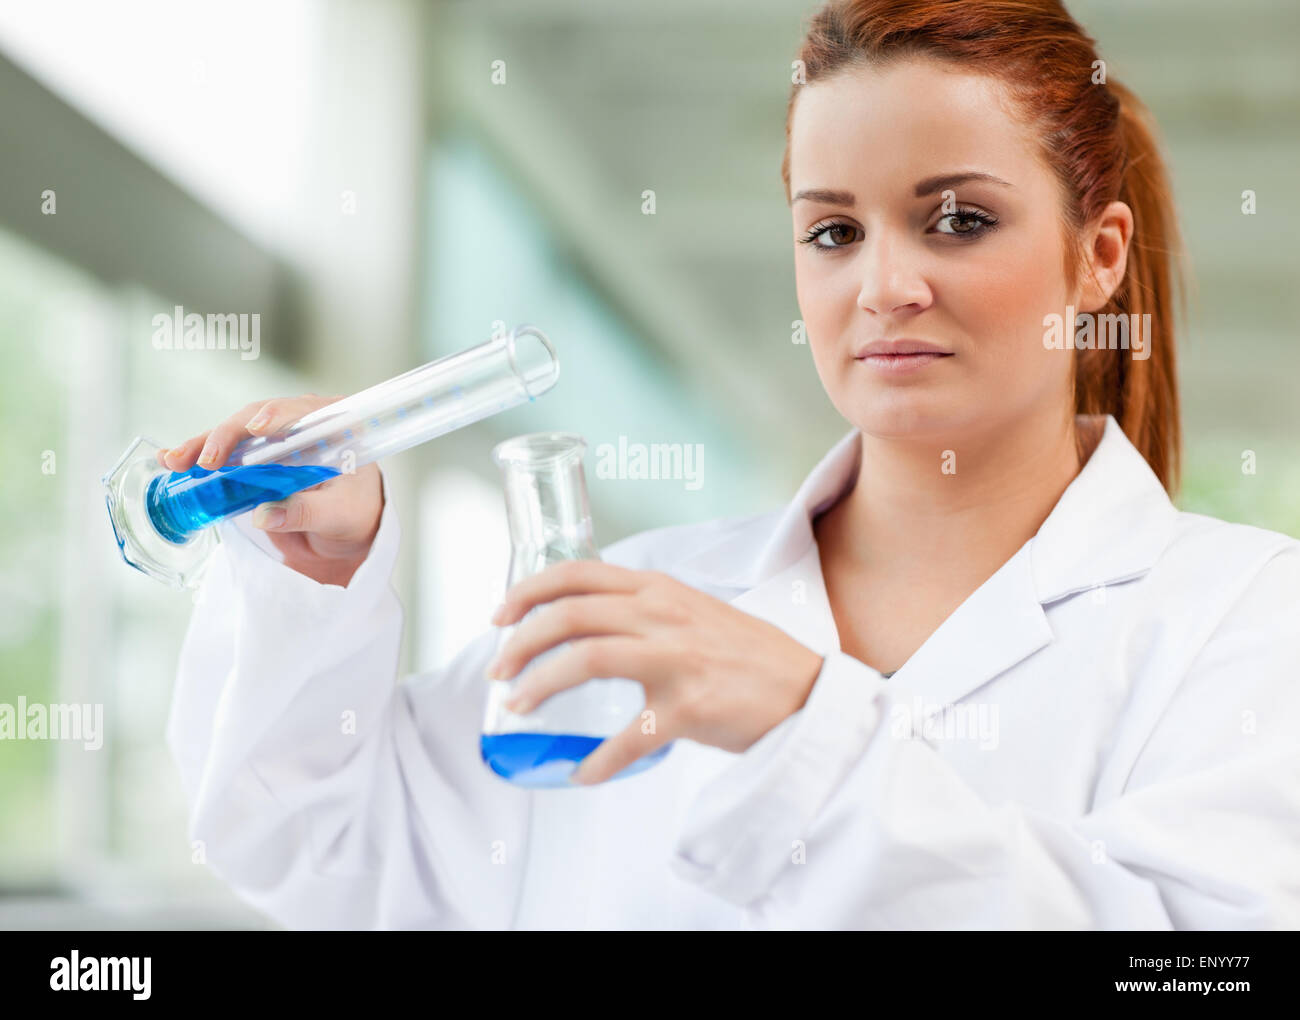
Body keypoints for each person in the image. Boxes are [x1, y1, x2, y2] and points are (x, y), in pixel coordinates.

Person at [162, 0, 1300, 929]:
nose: (883, 287)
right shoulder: (649, 605)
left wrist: (803, 727)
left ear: (1096, 258)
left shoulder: (1247, 622)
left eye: (956, 220)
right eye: (832, 231)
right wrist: (321, 568)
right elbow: (321, 850)